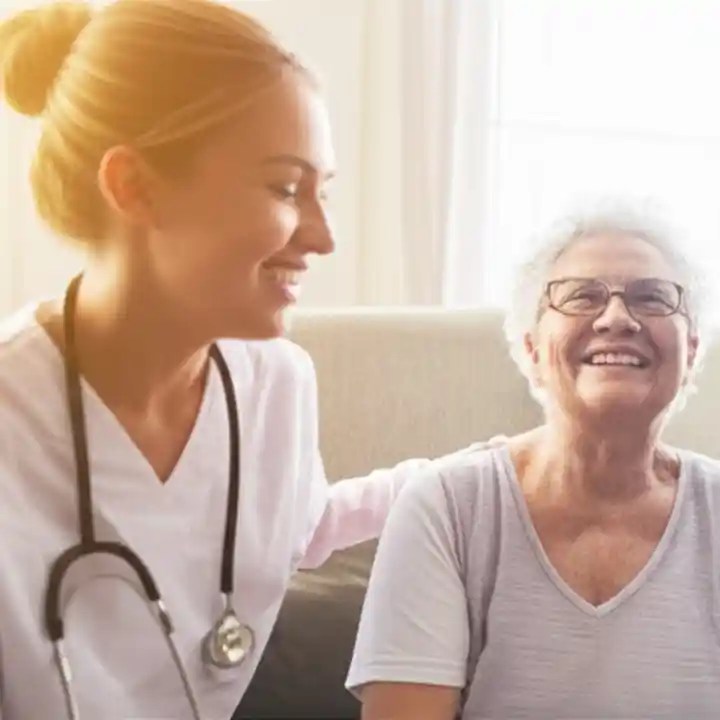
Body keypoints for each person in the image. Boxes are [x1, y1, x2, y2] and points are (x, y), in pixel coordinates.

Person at [0, 2, 483, 717]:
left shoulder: (276, 382)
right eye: (286, 189)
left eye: (325, 193)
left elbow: (304, 526)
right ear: (133, 186)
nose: (323, 238)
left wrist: (492, 472)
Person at [344, 200, 720, 719]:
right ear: (530, 349)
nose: (618, 317)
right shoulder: (445, 507)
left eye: (652, 298)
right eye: (581, 296)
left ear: (691, 352)